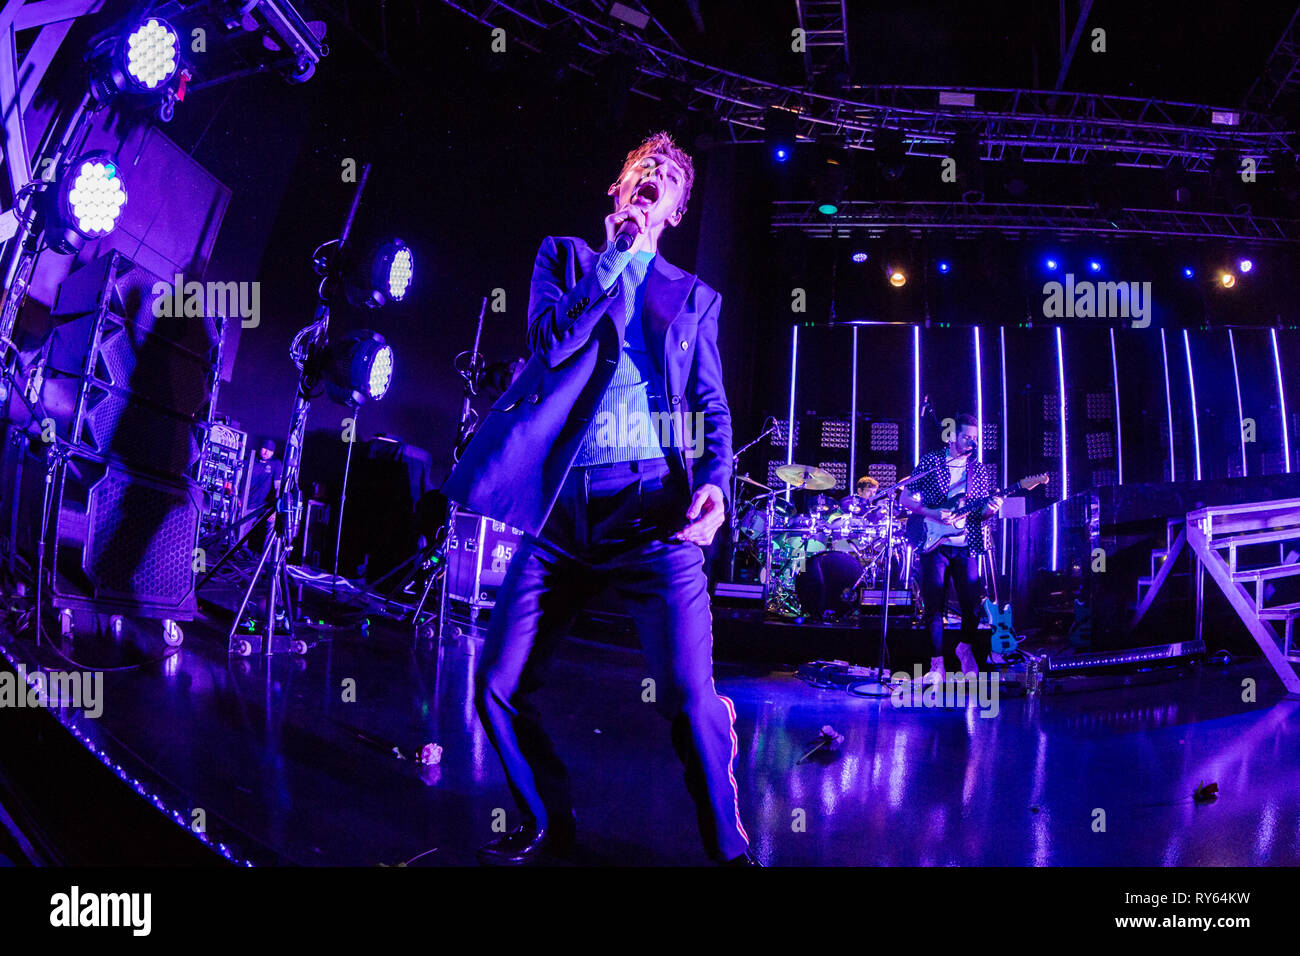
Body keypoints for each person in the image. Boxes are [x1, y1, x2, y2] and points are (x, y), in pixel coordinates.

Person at [441, 131, 756, 866]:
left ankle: (730, 853)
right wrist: (614, 258)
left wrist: (713, 486)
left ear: (676, 209)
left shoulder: (695, 299)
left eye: (669, 176)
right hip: (563, 517)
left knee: (686, 696)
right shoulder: (567, 258)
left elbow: (712, 408)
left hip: (654, 518)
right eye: (641, 168)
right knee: (497, 685)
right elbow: (548, 342)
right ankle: (548, 821)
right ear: (618, 191)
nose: (653, 176)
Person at [900, 413, 1004, 681]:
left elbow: (980, 513)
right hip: (935, 542)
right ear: (952, 437)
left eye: (976, 438)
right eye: (967, 437)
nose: (972, 442)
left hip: (966, 543)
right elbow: (905, 497)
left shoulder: (979, 470)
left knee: (972, 604)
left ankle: (965, 649)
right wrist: (932, 514)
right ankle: (936, 665)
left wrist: (991, 510)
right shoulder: (932, 461)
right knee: (934, 605)